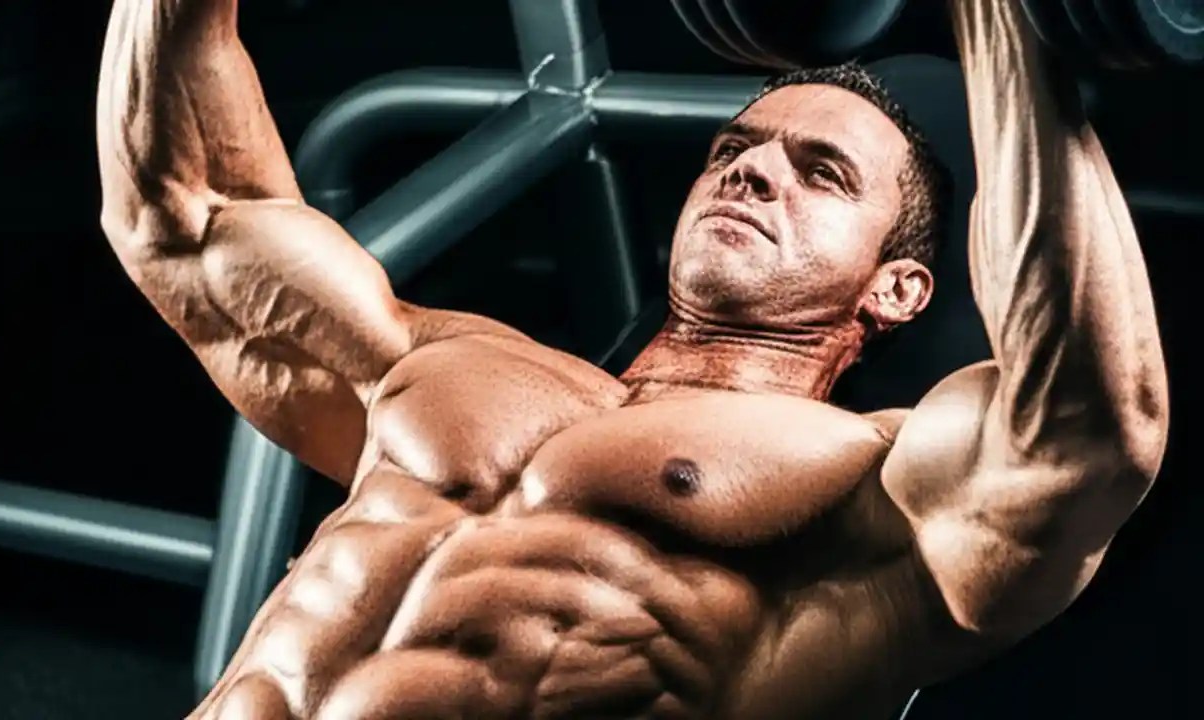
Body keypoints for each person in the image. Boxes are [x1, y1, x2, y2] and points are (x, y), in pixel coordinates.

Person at [95, 0, 1168, 718]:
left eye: (820, 173)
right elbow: (184, 214)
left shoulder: (872, 491)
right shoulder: (445, 359)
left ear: (896, 288)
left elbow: (1090, 429)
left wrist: (1009, 25)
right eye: (733, 151)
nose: (750, 175)